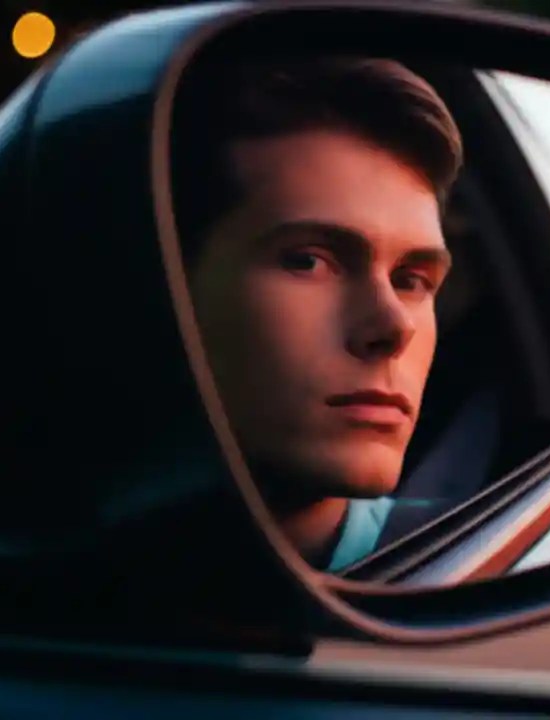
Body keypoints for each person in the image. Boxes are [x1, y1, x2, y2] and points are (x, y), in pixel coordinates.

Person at [170, 57, 464, 571]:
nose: (395, 327)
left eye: (411, 280)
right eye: (309, 261)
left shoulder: (454, 555)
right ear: (171, 282)